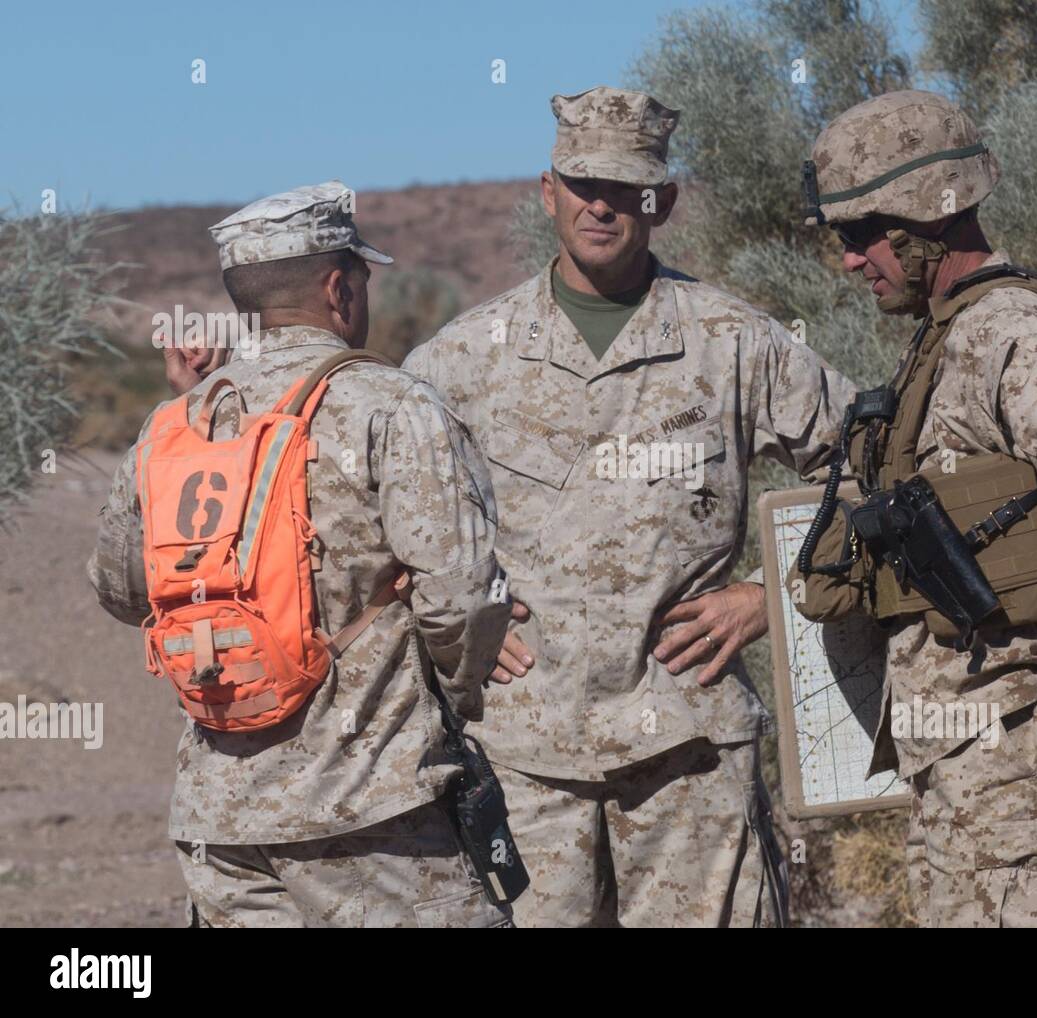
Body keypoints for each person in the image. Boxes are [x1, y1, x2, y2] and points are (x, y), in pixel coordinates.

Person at [403, 87, 860, 927]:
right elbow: (386, 518)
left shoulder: (732, 341)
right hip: (525, 752)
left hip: (688, 745)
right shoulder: (462, 359)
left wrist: (774, 592)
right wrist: (460, 619)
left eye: (627, 187)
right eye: (582, 184)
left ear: (664, 202)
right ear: (549, 193)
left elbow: (871, 468)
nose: (602, 204)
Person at [793, 91, 1037, 927]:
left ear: (924, 218)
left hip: (1027, 751)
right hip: (970, 748)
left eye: (864, 235)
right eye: (842, 239)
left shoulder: (1007, 328)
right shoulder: (947, 337)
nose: (854, 261)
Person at [89, 181, 513, 927]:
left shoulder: (173, 424)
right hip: (376, 814)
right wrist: (454, 696)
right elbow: (465, 599)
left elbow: (124, 592)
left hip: (223, 827)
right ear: (337, 288)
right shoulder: (393, 406)